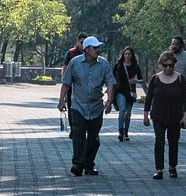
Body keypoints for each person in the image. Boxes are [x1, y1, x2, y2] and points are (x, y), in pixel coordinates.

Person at [59, 36, 117, 176]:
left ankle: (89, 164)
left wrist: (109, 101)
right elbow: (67, 83)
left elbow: (110, 82)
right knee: (78, 135)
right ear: (86, 49)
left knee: (93, 138)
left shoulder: (103, 64)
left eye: (98, 47)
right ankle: (77, 164)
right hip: (78, 106)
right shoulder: (75, 63)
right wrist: (61, 101)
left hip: (96, 106)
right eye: (95, 47)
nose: (98, 50)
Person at [143, 51, 186, 179]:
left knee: (173, 141)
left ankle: (172, 166)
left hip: (175, 115)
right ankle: (159, 169)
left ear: (174, 64)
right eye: (165, 65)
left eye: (171, 65)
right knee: (159, 141)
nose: (168, 68)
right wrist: (146, 114)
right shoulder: (156, 79)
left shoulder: (180, 79)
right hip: (158, 115)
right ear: (161, 65)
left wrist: (185, 116)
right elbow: (149, 98)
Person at [112, 47, 143, 141]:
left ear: (132, 55)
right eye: (125, 54)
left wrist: (136, 80)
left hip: (130, 92)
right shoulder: (118, 66)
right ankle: (120, 132)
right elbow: (111, 78)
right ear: (123, 55)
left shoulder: (135, 66)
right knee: (122, 110)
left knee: (128, 114)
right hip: (120, 91)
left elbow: (141, 79)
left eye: (129, 54)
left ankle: (126, 132)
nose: (127, 56)